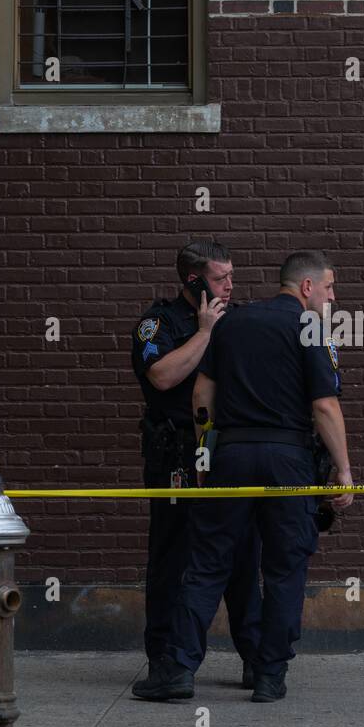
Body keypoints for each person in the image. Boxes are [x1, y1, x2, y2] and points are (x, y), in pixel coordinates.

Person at [134, 250, 354, 703]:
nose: (333, 297)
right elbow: (325, 405)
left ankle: (177, 670)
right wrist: (344, 470)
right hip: (288, 461)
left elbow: (202, 393)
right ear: (306, 287)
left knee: (206, 564)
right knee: (282, 568)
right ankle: (268, 675)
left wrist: (204, 456)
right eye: (329, 287)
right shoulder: (310, 328)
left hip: (231, 457)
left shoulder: (231, 324)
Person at [130, 241, 262, 694]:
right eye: (221, 278)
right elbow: (163, 375)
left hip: (228, 452)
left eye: (231, 276)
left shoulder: (240, 320)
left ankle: (256, 658)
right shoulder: (159, 323)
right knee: (173, 556)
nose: (230, 285)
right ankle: (168, 662)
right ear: (193, 280)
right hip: (178, 455)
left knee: (243, 554)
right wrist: (205, 332)